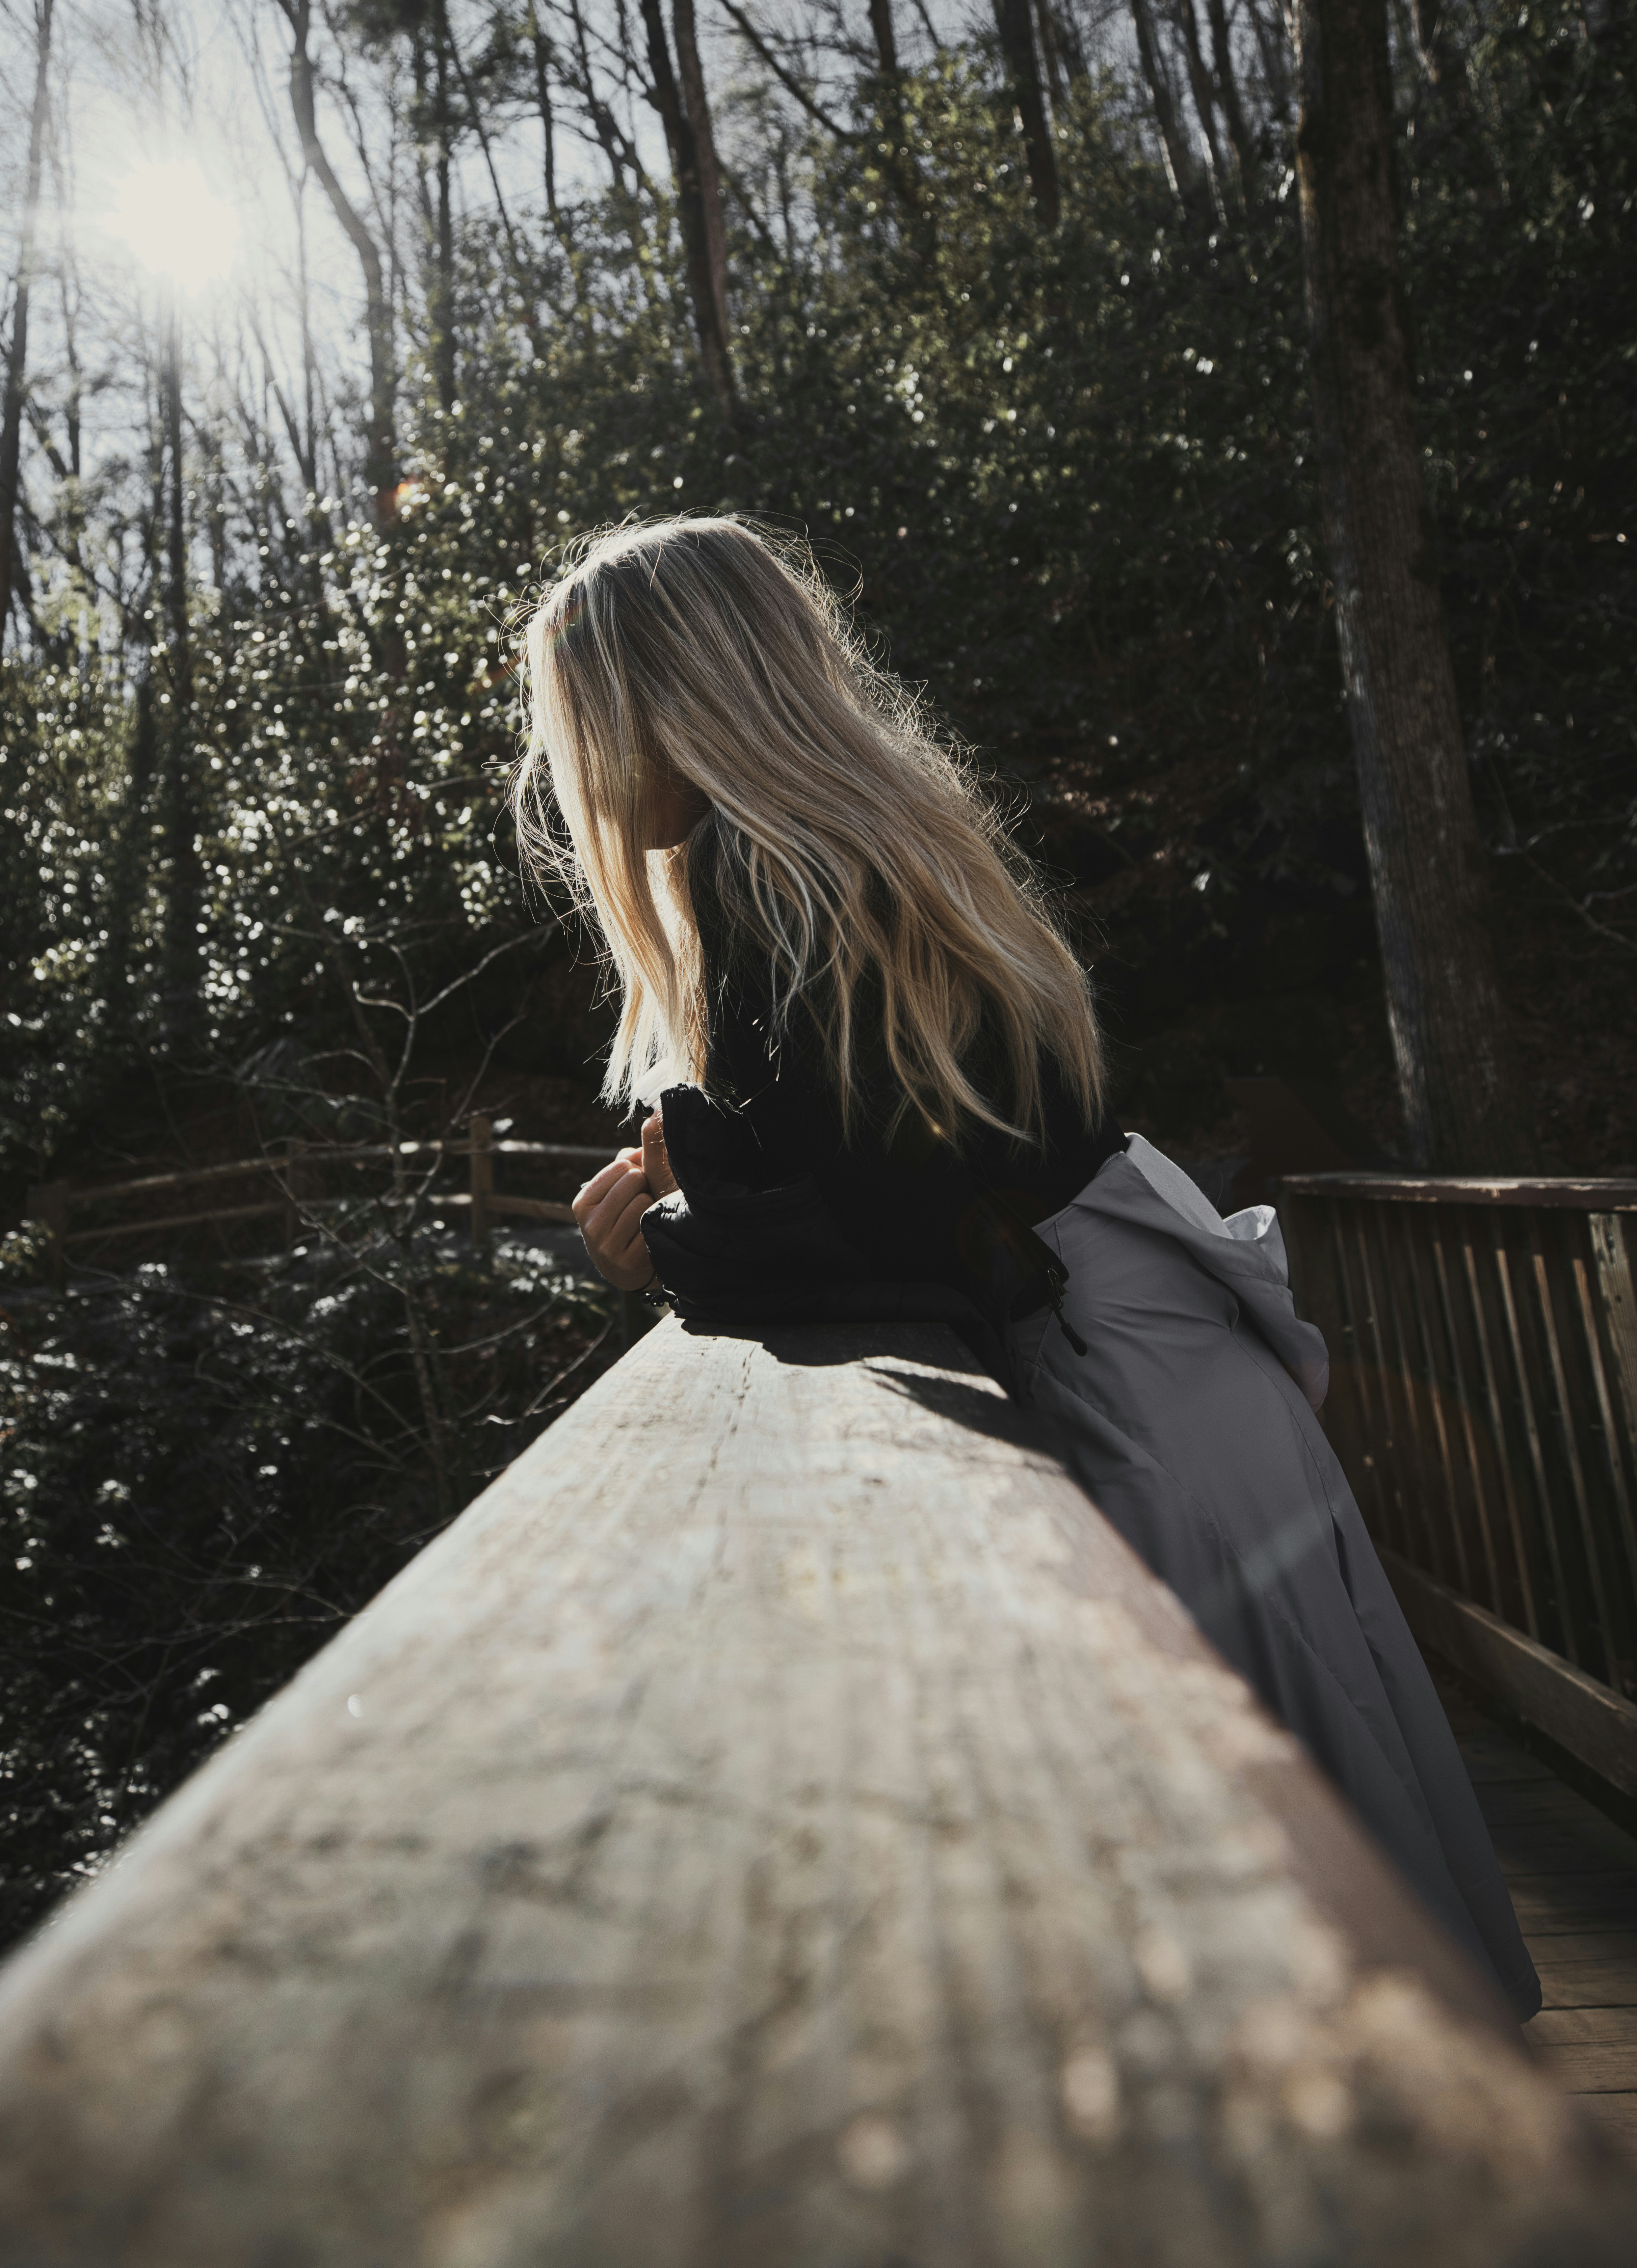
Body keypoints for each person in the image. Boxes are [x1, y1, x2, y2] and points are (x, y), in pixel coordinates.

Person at [513, 513, 1541, 2023]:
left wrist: (666, 1243)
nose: (582, 770)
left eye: (585, 720)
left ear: (666, 701)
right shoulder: (869, 843)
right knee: (1352, 1898)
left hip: (1128, 1399)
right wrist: (714, 1156)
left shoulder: (765, 877)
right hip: (1187, 1369)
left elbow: (880, 1235)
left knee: (1293, 1953)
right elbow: (897, 1149)